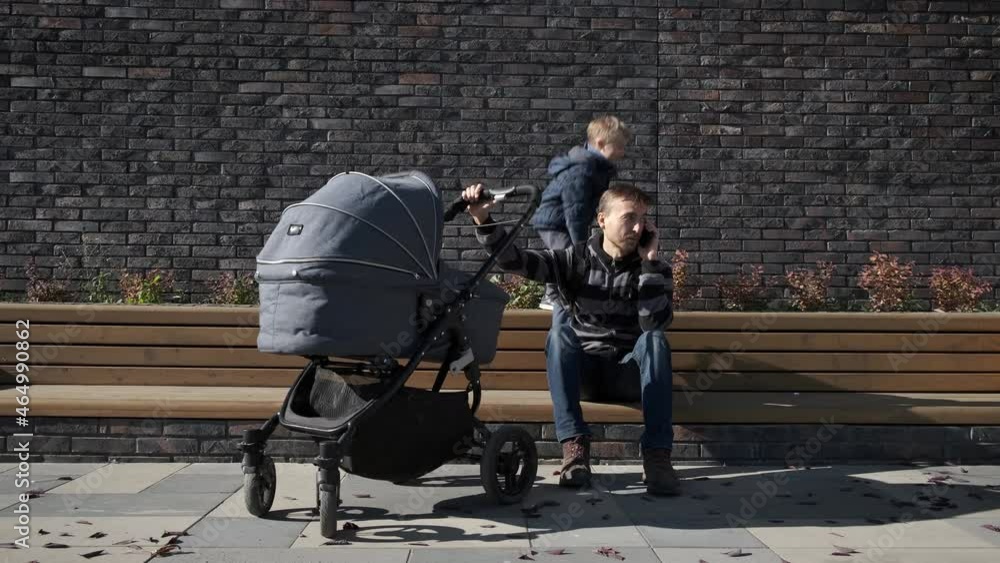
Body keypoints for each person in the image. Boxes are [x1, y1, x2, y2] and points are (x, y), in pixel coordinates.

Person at [463, 181, 679, 496]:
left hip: (629, 376)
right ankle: (574, 449)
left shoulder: (656, 270)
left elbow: (652, 324)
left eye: (643, 219)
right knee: (560, 334)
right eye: (629, 217)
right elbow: (516, 261)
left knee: (655, 341)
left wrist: (649, 265)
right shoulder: (575, 260)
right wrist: (483, 219)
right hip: (585, 376)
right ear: (602, 219)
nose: (638, 227)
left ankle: (657, 457)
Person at [530, 115, 631, 316]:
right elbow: (575, 210)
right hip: (555, 222)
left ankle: (556, 295)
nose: (623, 152)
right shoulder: (582, 169)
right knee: (568, 257)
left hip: (565, 219)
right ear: (601, 144)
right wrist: (580, 246)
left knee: (566, 257)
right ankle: (553, 296)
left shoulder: (597, 167)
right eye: (619, 146)